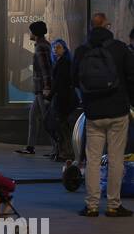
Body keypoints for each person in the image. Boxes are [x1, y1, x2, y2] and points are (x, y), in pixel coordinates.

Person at [72, 18, 134, 217]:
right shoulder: (120, 48)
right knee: (116, 159)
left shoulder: (82, 51)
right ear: (107, 26)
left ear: (91, 27)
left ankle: (91, 206)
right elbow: (131, 76)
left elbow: (74, 78)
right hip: (118, 112)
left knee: (93, 160)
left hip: (93, 113)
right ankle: (113, 205)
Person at [16, 20, 52, 155]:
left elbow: (45, 69)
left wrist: (47, 87)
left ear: (35, 33)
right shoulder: (45, 45)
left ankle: (57, 148)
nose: (29, 33)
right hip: (41, 89)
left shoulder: (41, 47)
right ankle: (30, 147)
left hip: (42, 89)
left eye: (31, 31)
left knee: (47, 118)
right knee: (33, 116)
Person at [47, 38, 77, 163]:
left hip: (63, 99)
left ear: (64, 49)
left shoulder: (64, 62)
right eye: (54, 47)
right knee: (60, 125)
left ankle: (66, 152)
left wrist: (49, 95)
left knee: (60, 126)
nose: (55, 49)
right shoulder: (61, 62)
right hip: (62, 98)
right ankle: (63, 151)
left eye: (58, 47)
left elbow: (59, 82)